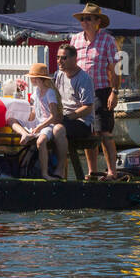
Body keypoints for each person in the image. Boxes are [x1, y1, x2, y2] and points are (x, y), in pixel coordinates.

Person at [69, 3, 121, 179]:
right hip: (82, 93)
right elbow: (70, 65)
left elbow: (116, 68)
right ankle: (92, 171)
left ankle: (112, 171)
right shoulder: (75, 40)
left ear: (98, 21)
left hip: (101, 90)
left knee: (104, 132)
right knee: (88, 132)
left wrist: (115, 92)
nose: (85, 22)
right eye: (83, 19)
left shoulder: (107, 40)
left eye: (89, 18)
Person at [55, 44, 110, 181]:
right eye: (58, 57)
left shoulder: (84, 79)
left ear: (74, 59)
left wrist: (66, 117)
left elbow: (87, 107)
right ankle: (43, 171)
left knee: (58, 129)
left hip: (82, 123)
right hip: (65, 119)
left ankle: (60, 173)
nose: (59, 61)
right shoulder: (58, 75)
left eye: (64, 58)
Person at [10, 63, 65, 181]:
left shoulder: (50, 92)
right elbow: (34, 113)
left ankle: (45, 173)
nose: (30, 79)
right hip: (38, 122)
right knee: (11, 118)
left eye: (32, 77)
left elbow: (54, 116)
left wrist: (40, 127)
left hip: (48, 124)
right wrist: (24, 116)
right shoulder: (37, 91)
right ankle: (26, 134)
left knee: (41, 141)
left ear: (37, 78)